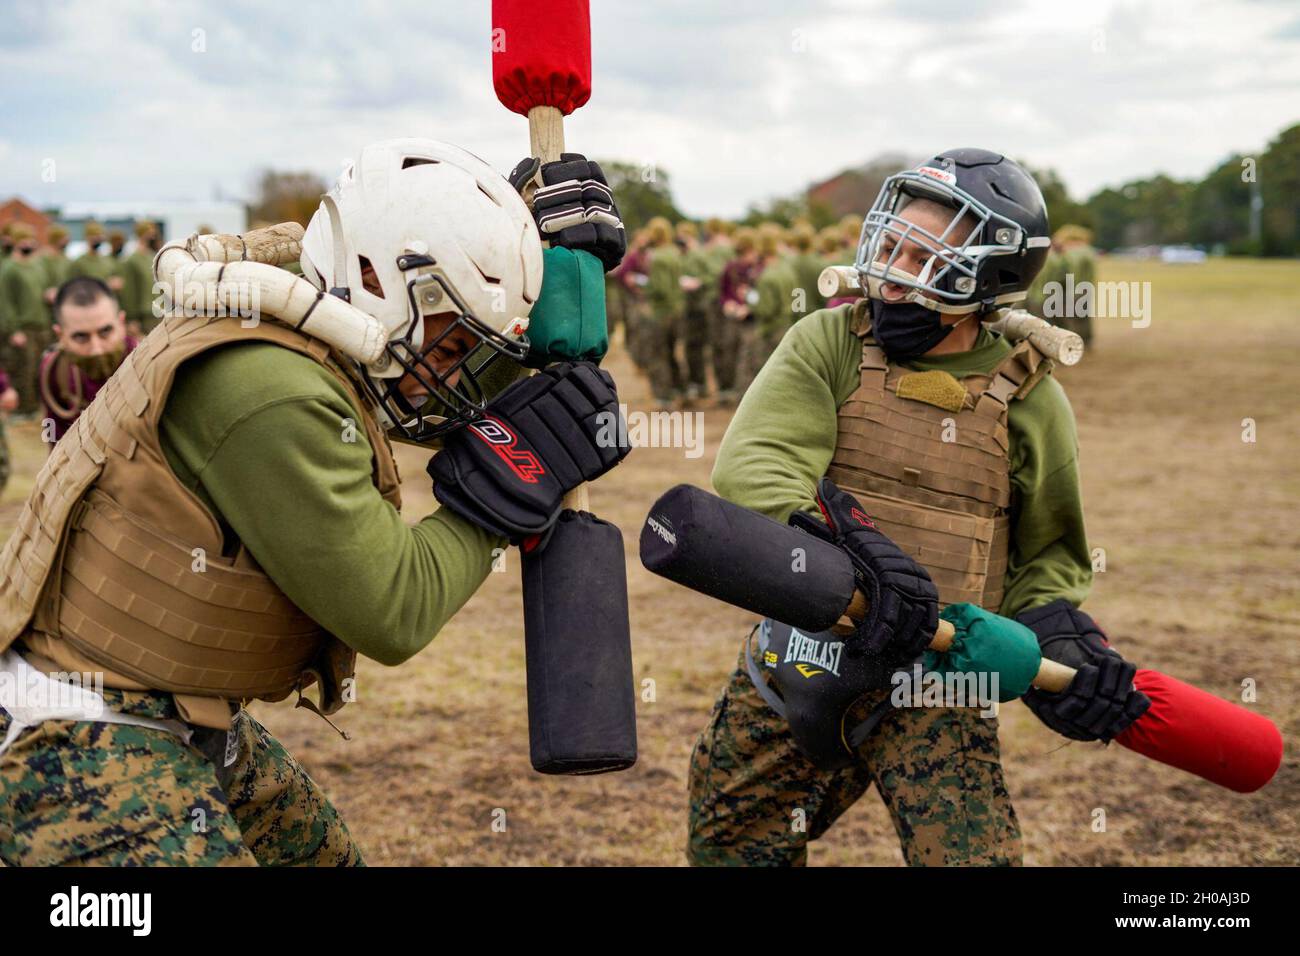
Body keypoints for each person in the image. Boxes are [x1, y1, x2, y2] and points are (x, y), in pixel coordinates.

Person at [0, 137, 630, 866]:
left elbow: (413, 387)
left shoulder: (295, 316)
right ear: (380, 282)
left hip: (173, 714)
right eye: (454, 347)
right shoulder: (268, 385)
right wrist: (518, 477)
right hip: (81, 738)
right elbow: (394, 607)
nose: (451, 374)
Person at [686, 149, 1150, 867]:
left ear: (986, 277)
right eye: (890, 243)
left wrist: (1062, 641)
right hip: (805, 654)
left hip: (942, 681)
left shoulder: (1033, 399)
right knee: (730, 850)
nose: (891, 268)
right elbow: (755, 466)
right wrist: (857, 558)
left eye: (922, 256)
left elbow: (1049, 557)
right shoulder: (829, 341)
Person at [38, 277, 139, 443]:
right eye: (81, 337)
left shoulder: (150, 362)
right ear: (60, 335)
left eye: (105, 331)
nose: (96, 348)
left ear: (121, 323)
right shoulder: (54, 370)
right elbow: (55, 437)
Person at [0, 224, 48, 416]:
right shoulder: (9, 269)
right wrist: (13, 330)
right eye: (24, 241)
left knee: (40, 369)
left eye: (31, 240)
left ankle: (36, 407)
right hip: (23, 327)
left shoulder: (36, 265)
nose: (28, 244)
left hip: (41, 325)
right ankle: (22, 410)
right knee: (23, 370)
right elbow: (6, 302)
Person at [717, 227, 760, 405]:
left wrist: (749, 307)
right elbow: (723, 292)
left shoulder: (759, 270)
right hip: (733, 317)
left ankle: (747, 394)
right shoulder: (731, 268)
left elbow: (763, 297)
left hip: (753, 319)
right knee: (729, 353)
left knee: (749, 357)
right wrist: (727, 304)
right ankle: (730, 391)